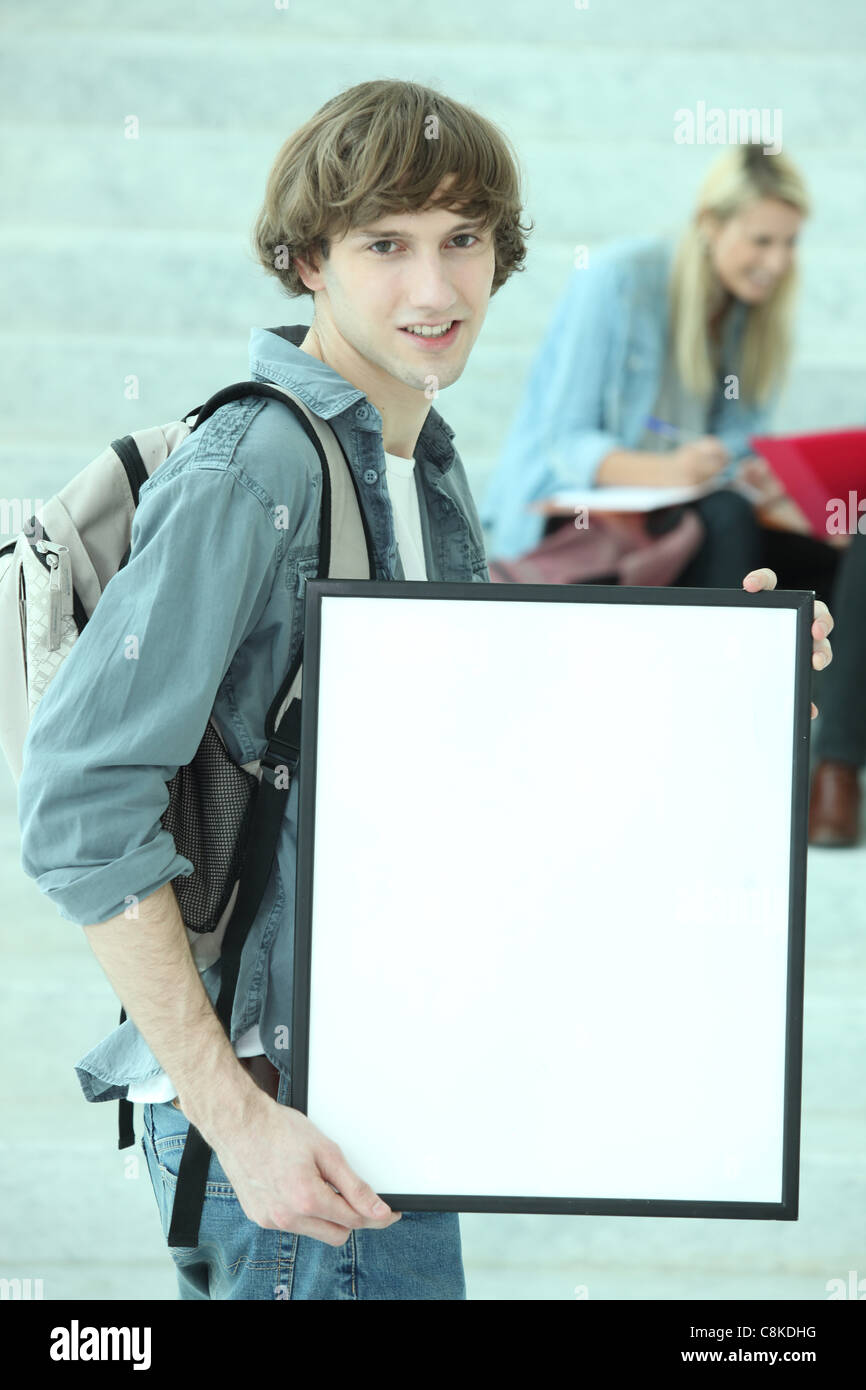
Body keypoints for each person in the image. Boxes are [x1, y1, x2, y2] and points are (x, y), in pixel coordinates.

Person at [15, 80, 835, 1302]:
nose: (436, 290)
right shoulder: (261, 466)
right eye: (385, 246)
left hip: (378, 1114)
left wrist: (735, 684)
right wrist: (236, 1118)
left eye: (462, 241)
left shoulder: (422, 465)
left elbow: (482, 783)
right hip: (296, 1138)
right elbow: (78, 805)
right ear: (305, 260)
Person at [479, 141, 857, 842]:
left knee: (839, 551)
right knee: (724, 516)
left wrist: (771, 477)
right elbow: (563, 442)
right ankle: (721, 752)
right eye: (761, 240)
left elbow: (736, 441)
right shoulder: (622, 279)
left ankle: (814, 770)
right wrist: (670, 470)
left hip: (693, 518)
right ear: (711, 225)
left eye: (790, 243)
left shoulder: (749, 314)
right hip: (582, 524)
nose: (776, 262)